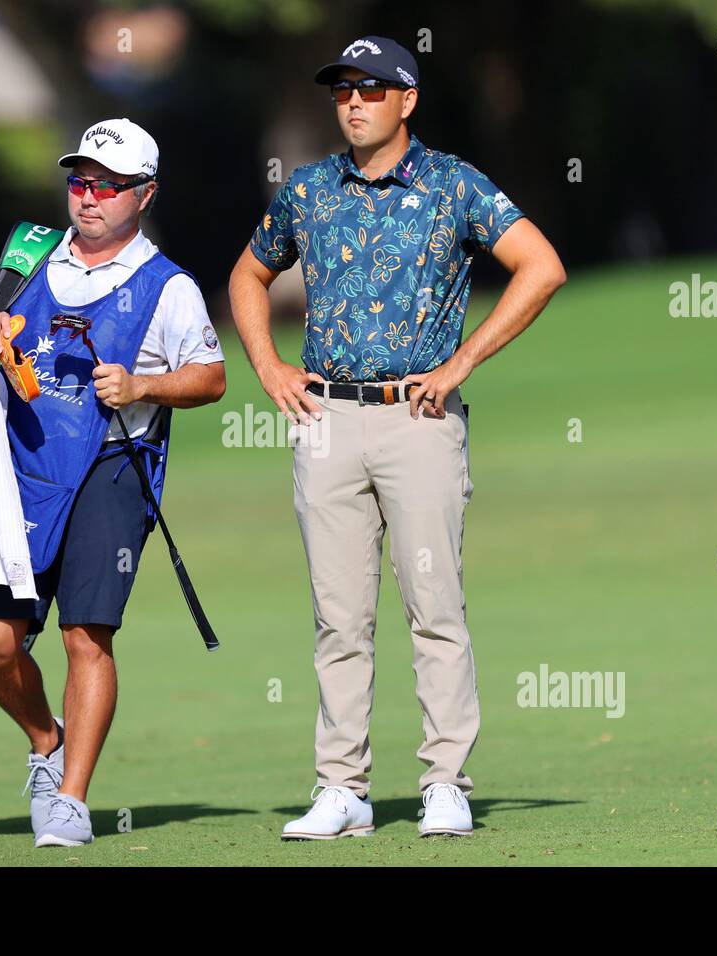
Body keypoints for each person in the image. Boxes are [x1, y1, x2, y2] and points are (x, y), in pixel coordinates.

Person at [228, 36, 566, 839]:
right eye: (342, 89)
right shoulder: (309, 190)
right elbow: (248, 274)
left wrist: (463, 361)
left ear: (406, 101)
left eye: (371, 90)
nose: (352, 102)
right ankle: (341, 789)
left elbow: (540, 266)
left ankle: (445, 782)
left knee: (434, 609)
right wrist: (269, 366)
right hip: (326, 420)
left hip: (417, 421)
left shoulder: (453, 185)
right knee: (338, 618)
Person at [0, 118, 226, 847]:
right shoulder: (26, 257)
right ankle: (47, 741)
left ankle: (70, 800)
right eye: (79, 181)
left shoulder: (169, 286)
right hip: (19, 470)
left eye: (107, 185)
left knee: (84, 636)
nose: (89, 196)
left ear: (145, 194)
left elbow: (213, 377)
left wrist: (142, 386)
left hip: (112, 469)